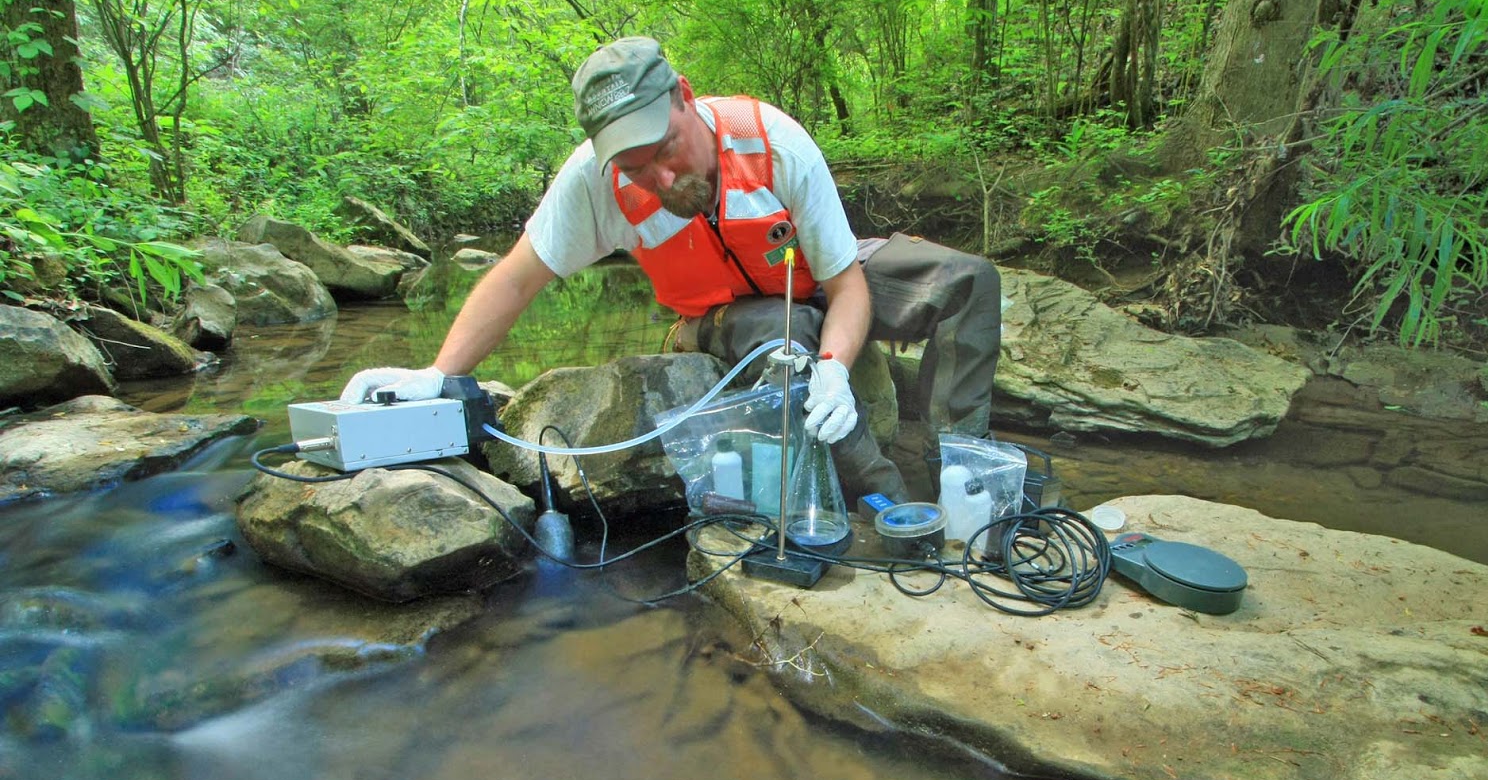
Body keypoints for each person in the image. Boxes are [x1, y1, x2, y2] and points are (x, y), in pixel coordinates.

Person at [341, 36, 1002, 506]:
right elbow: (515, 280)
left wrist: (838, 369)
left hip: (815, 276)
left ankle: (963, 474)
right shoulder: (592, 183)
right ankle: (890, 502)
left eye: (665, 149)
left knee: (969, 283)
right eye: (635, 168)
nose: (659, 177)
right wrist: (439, 374)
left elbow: (846, 283)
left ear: (685, 97)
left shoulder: (774, 142)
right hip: (728, 313)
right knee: (788, 340)